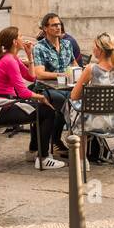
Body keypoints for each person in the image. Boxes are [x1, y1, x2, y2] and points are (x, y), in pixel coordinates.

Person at [0, 26, 64, 170]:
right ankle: (43, 158)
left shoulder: (11, 58)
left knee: (41, 109)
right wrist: (41, 97)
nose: (24, 38)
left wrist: (30, 57)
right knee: (48, 111)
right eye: (21, 36)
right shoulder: (9, 61)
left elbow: (31, 76)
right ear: (15, 41)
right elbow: (23, 92)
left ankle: (34, 151)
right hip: (2, 109)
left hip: (5, 104)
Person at [68, 32, 114, 163]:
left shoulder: (91, 69)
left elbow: (74, 96)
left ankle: (81, 160)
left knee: (73, 109)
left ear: (100, 50)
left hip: (94, 124)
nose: (92, 48)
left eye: (94, 46)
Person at [31, 13, 78, 143]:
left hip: (67, 87)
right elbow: (39, 74)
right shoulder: (39, 47)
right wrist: (61, 75)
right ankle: (56, 141)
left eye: (59, 24)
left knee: (82, 98)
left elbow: (74, 65)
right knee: (65, 102)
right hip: (45, 89)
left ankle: (83, 142)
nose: (58, 27)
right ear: (45, 28)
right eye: (54, 25)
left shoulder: (67, 44)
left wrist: (79, 73)